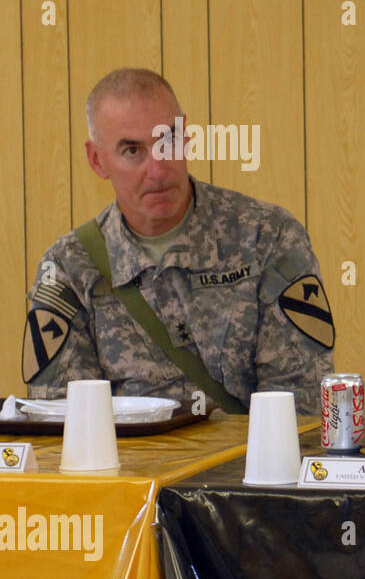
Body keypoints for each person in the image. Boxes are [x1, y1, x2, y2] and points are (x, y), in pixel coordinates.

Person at [22, 68, 334, 414]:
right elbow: (65, 418)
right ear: (97, 160)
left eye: (167, 141)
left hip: (245, 466)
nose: (157, 169)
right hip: (130, 466)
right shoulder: (69, 267)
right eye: (131, 151)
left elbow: (298, 401)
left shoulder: (266, 236)